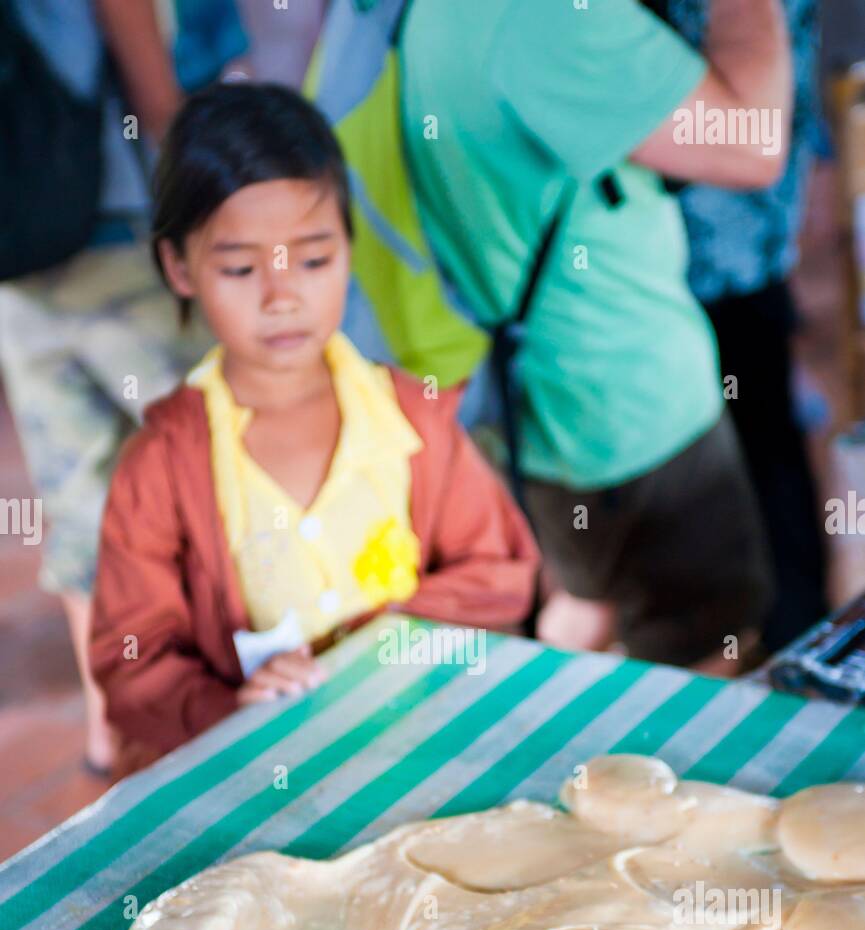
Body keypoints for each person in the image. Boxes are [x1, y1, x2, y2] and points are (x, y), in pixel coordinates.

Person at [88, 83, 539, 771]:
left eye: (313, 259)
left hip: (425, 756)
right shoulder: (160, 466)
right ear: (178, 266)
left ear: (350, 250)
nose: (281, 296)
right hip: (266, 783)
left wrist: (370, 647)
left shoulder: (410, 418)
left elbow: (497, 573)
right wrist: (225, 710)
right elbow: (133, 658)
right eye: (240, 266)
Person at [397, 0, 793, 671]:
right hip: (632, 406)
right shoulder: (554, 19)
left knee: (587, 610)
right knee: (710, 659)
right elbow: (753, 144)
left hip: (544, 401)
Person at [0, 0, 248, 773]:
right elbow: (131, 28)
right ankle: (233, 718)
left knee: (81, 500)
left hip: (18, 258)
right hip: (117, 234)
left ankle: (110, 734)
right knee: (218, 474)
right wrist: (192, 192)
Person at [665, 0, 826, 652]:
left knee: (757, 473)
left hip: (726, 257)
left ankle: (791, 655)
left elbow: (763, 135)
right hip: (692, 258)